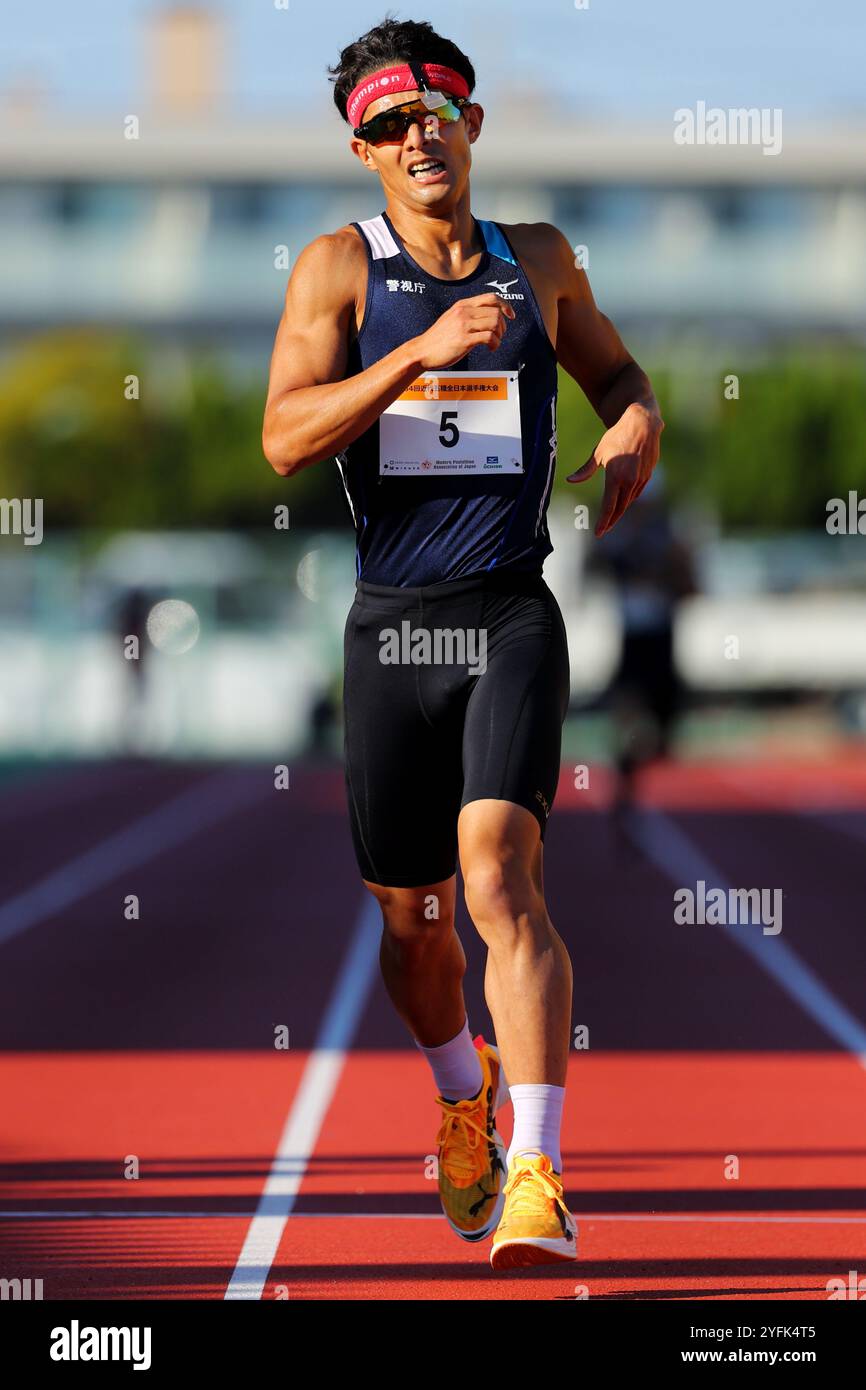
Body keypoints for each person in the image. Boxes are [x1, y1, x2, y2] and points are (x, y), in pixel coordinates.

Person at [262, 16, 663, 1269]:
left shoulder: (537, 259)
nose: (416, 135)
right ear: (362, 149)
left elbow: (612, 370)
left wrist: (638, 417)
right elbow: (283, 437)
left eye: (434, 113)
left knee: (498, 879)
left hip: (505, 611)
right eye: (388, 123)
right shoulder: (337, 270)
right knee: (412, 926)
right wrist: (418, 357)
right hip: (392, 629)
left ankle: (539, 1170)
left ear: (472, 125)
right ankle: (458, 1100)